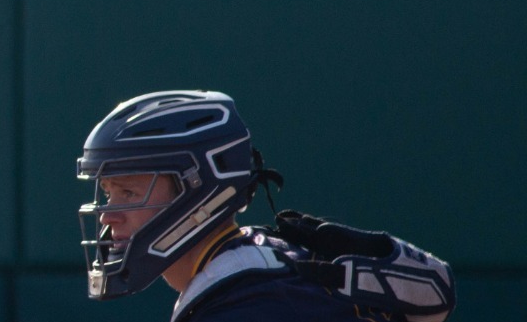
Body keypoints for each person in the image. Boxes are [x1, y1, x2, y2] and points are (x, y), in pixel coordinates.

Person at [78, 90, 455, 321]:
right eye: (108, 193)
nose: (109, 215)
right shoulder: (261, 270)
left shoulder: (250, 304)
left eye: (129, 193)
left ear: (194, 191)